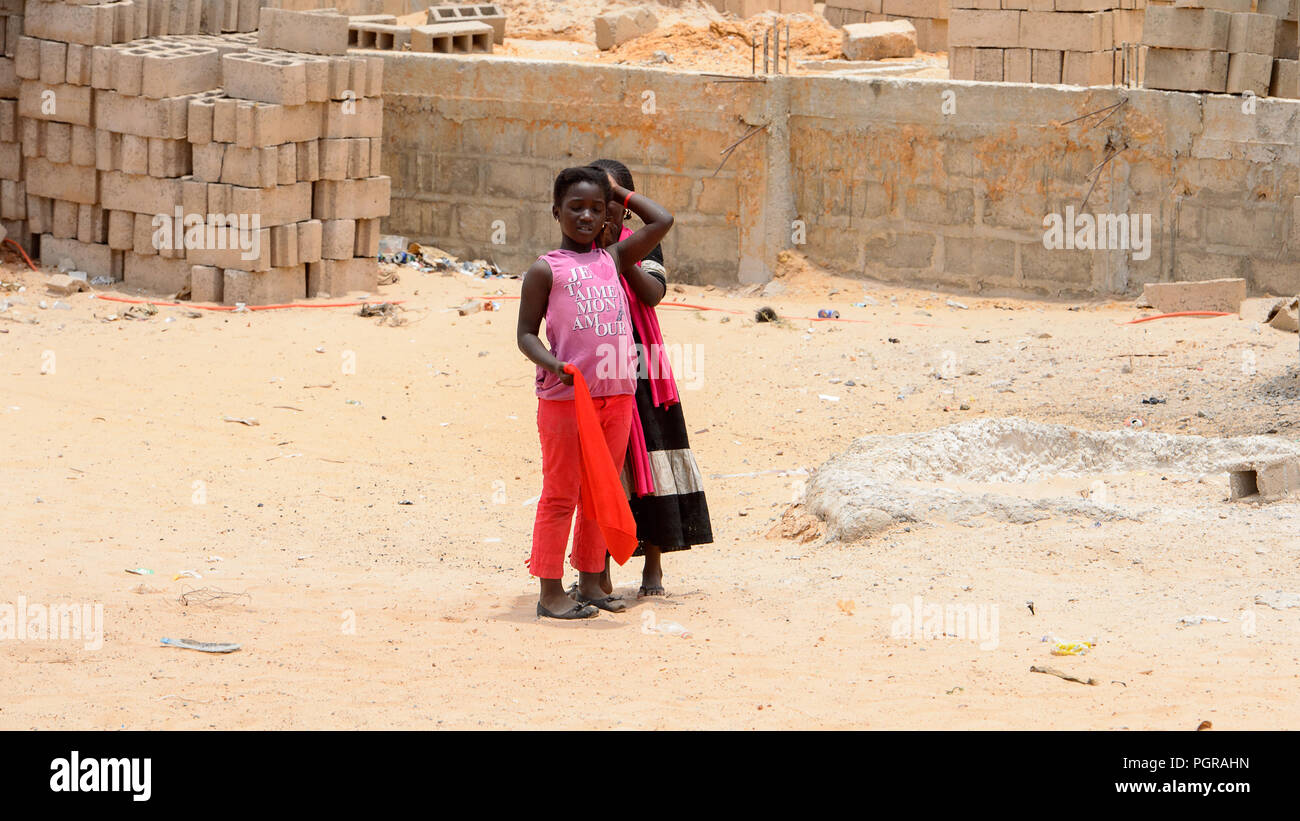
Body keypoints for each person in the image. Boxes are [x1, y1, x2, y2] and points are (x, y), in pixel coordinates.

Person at [516, 166, 675, 619]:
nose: (586, 216)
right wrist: (553, 365)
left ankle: (589, 580)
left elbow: (661, 221)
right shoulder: (545, 270)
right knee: (561, 494)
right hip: (567, 400)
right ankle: (550, 591)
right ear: (556, 212)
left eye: (595, 208)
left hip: (618, 396)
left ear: (608, 212)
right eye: (575, 207)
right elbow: (526, 335)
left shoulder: (615, 258)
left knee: (599, 493)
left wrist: (617, 192)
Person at [589, 159, 714, 599]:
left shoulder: (638, 243)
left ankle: (653, 569)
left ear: (626, 207)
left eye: (611, 202)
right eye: (591, 201)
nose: (599, 212)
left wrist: (619, 255)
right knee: (605, 471)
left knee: (654, 463)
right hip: (600, 369)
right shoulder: (578, 244)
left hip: (645, 369)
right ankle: (596, 571)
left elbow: (653, 294)